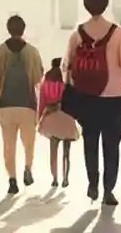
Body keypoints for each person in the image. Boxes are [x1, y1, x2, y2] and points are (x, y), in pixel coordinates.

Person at [64, 0, 121, 206]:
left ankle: (92, 183)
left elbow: (68, 65)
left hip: (86, 96)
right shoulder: (118, 33)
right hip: (114, 97)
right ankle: (108, 190)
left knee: (90, 142)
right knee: (112, 146)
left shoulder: (78, 33)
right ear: (106, 5)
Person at [0, 14, 45, 195]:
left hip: (5, 103)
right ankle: (27, 168)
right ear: (23, 29)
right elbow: (38, 76)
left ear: (8, 29)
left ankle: (12, 179)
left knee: (8, 144)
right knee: (29, 142)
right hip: (27, 103)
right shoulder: (32, 52)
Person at [37, 57, 79, 187]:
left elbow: (42, 102)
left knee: (53, 151)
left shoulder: (46, 83)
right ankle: (65, 178)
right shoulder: (67, 83)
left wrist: (40, 118)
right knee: (66, 151)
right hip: (66, 116)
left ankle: (54, 179)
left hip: (51, 117)